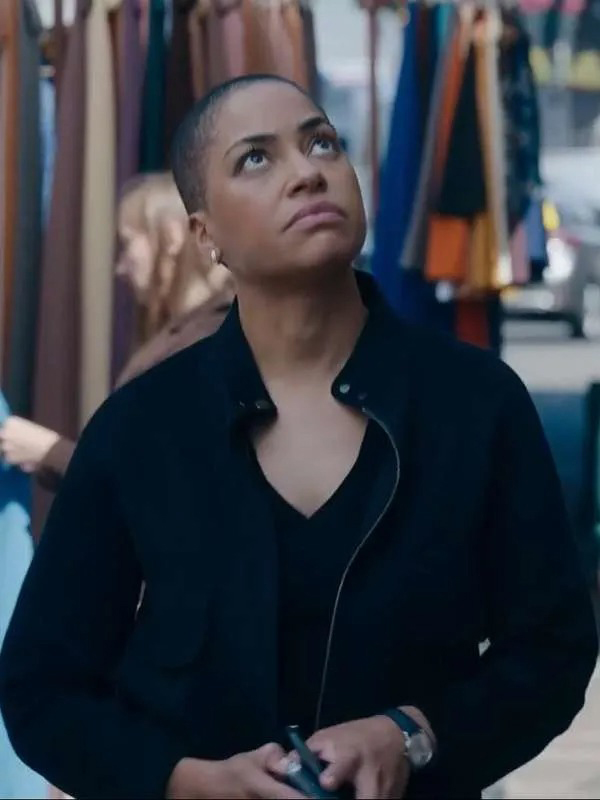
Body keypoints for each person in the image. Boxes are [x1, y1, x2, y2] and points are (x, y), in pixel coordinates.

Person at [0, 74, 596, 800]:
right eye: (256, 158)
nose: (308, 172)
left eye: (322, 144)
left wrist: (414, 732)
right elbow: (43, 687)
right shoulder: (141, 428)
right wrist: (183, 781)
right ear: (205, 235)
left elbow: (553, 650)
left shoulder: (474, 402)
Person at [0, 172, 234, 492]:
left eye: (128, 242)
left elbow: (155, 485)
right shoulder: (186, 334)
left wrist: (50, 451)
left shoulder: (209, 341)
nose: (121, 266)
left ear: (171, 237)